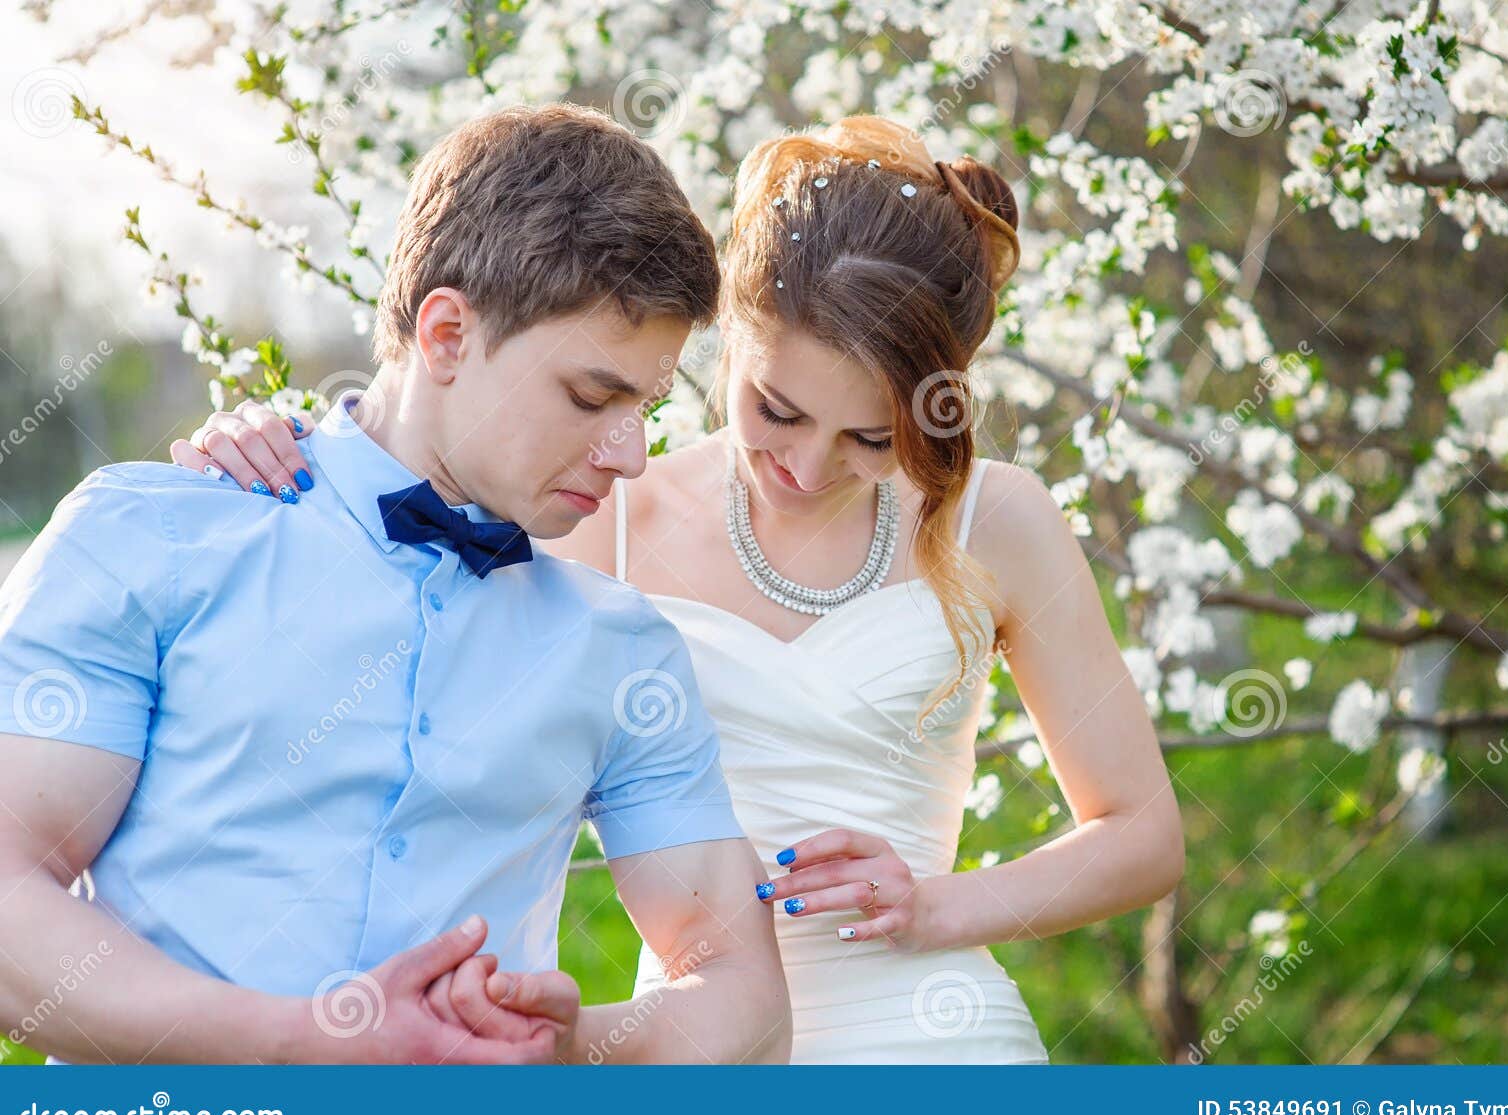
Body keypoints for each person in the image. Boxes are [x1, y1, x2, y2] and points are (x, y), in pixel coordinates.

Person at [176, 116, 1182, 1064]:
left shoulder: (990, 521)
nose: (806, 464)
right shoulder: (592, 514)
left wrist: (935, 906)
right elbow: (412, 503)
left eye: (872, 438)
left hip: (936, 1039)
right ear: (727, 337)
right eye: (775, 410)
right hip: (702, 1048)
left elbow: (1141, 834)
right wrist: (279, 450)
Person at [0, 103, 789, 1065]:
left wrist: (575, 1042)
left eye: (646, 406)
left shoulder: (623, 647)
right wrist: (303, 1042)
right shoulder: (153, 535)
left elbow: (742, 991)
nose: (630, 454)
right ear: (447, 332)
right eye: (592, 397)